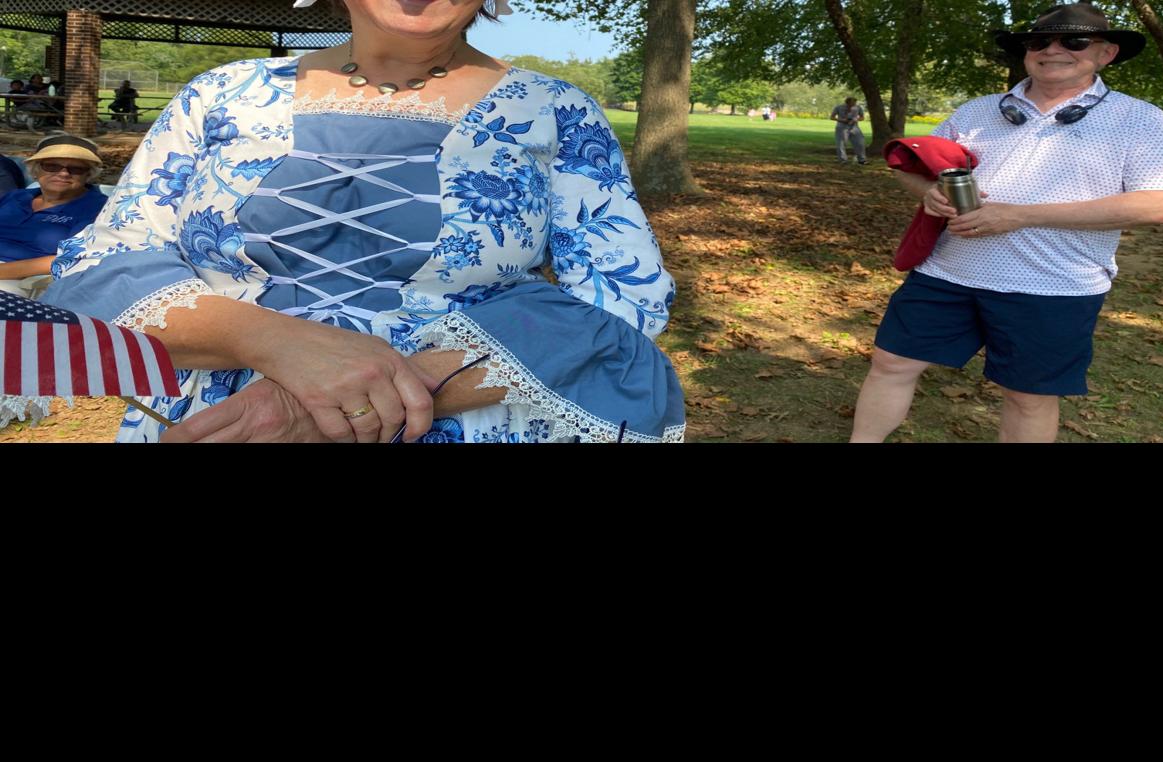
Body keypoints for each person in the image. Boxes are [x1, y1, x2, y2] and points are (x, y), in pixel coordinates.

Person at [36, 0, 685, 443]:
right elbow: (99, 263)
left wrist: (331, 407)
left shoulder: (555, 111)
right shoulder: (219, 95)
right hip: (218, 425)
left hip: (458, 419)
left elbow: (624, 295)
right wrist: (271, 341)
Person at [850, 3, 1163, 443]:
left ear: (1107, 53)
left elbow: (1159, 205)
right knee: (891, 362)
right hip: (947, 272)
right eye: (1039, 41)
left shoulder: (1140, 119)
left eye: (1074, 41)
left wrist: (1020, 216)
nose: (1053, 50)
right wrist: (929, 194)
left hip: (1053, 286)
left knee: (1027, 396)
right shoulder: (977, 110)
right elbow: (909, 164)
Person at [0, 134, 107, 299]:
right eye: (51, 166)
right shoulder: (16, 197)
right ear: (35, 170)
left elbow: (72, 258)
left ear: (89, 175)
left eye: (76, 169)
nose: (63, 174)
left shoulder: (97, 208)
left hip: (26, 281)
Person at [831, 97, 866, 165]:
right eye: (851, 103)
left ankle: (862, 160)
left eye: (854, 103)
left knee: (860, 143)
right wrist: (842, 120)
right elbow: (832, 117)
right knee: (841, 144)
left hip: (854, 127)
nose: (853, 105)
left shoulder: (858, 108)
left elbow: (862, 117)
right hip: (842, 127)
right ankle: (843, 160)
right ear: (847, 102)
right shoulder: (839, 107)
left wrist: (856, 119)